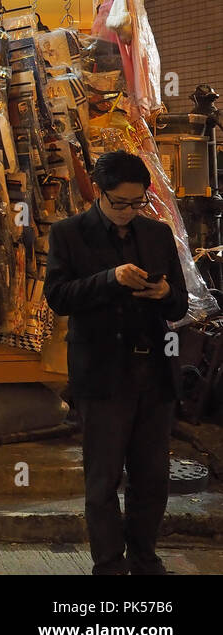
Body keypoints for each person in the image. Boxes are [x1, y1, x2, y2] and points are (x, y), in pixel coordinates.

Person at [44, 149, 186, 576]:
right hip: (102, 374)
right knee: (103, 478)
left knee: (152, 477)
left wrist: (163, 295)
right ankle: (109, 564)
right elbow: (58, 296)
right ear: (99, 193)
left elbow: (179, 303)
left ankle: (145, 557)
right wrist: (109, 279)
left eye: (137, 202)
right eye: (119, 203)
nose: (128, 212)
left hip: (154, 372)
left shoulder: (158, 234)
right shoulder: (69, 233)